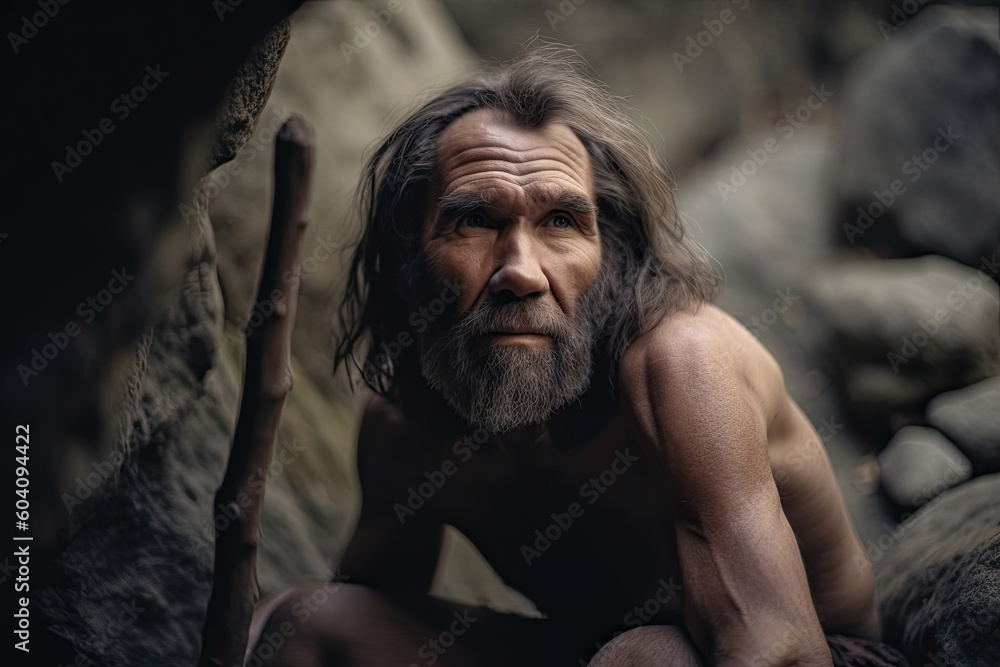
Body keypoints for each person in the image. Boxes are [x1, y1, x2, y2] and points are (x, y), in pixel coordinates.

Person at [248, 44, 907, 667]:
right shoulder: (407, 426)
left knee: (649, 656)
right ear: (410, 256)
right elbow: (379, 611)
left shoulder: (683, 363)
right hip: (583, 651)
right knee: (301, 624)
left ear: (609, 251)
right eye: (474, 220)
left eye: (561, 221)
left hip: (805, 652)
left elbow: (781, 647)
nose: (522, 271)